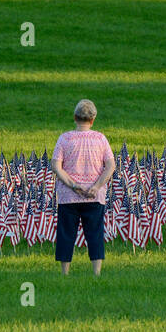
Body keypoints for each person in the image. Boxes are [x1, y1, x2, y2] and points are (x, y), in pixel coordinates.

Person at [51, 99, 115, 276]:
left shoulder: (64, 138)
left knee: (66, 234)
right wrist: (97, 186)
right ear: (93, 119)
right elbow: (110, 165)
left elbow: (56, 166)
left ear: (74, 117)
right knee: (94, 234)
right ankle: (97, 273)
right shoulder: (100, 139)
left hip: (68, 195)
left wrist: (72, 184)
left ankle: (65, 273)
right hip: (94, 195)